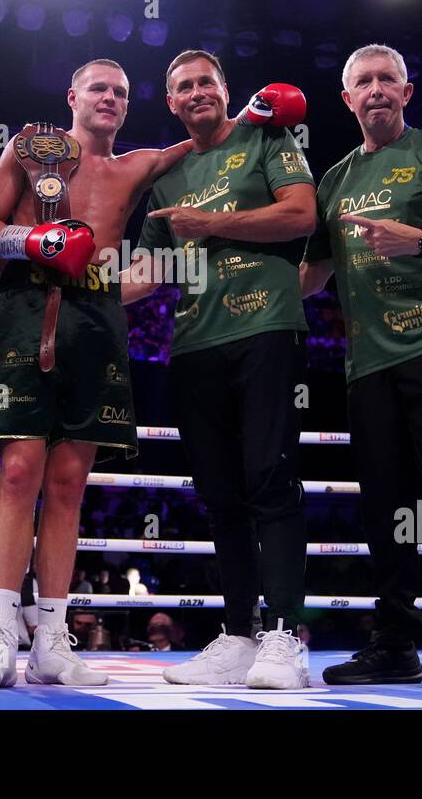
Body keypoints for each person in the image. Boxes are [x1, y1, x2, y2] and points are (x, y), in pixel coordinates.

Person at [0, 58, 193, 689]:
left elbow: (203, 139)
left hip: (96, 321)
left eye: (120, 91)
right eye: (98, 89)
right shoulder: (33, 150)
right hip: (25, 311)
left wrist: (252, 114)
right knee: (18, 472)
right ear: (73, 97)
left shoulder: (136, 166)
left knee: (68, 484)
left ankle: (53, 643)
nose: (110, 99)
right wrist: (31, 243)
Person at [300, 43, 422, 690]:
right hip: (368, 366)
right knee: (387, 506)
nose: (378, 89)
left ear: (407, 93)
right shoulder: (331, 182)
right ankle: (394, 645)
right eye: (365, 81)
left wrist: (419, 241)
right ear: (348, 98)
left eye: (390, 78)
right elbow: (310, 276)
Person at [123, 50, 314, 689]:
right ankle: (237, 634)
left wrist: (210, 222)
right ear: (171, 102)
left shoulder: (268, 136)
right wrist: (66, 282)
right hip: (195, 345)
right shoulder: (168, 177)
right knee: (220, 494)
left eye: (207, 82)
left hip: (265, 329)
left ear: (225, 91)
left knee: (270, 478)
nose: (198, 92)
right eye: (185, 87)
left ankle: (285, 635)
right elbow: (147, 274)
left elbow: (301, 215)